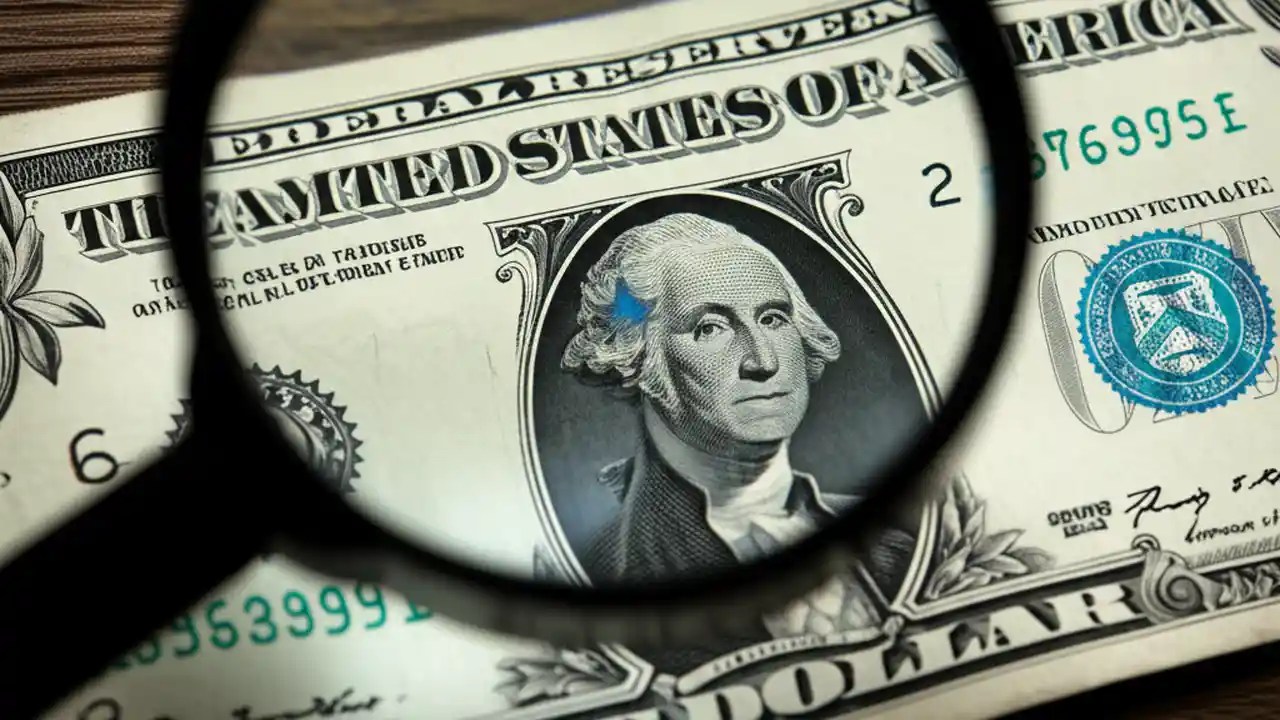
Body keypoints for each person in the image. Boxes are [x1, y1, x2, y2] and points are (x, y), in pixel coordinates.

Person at [560, 211, 914, 650]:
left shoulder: (902, 537)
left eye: (772, 319)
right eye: (710, 327)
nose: (763, 361)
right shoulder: (604, 580)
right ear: (637, 357)